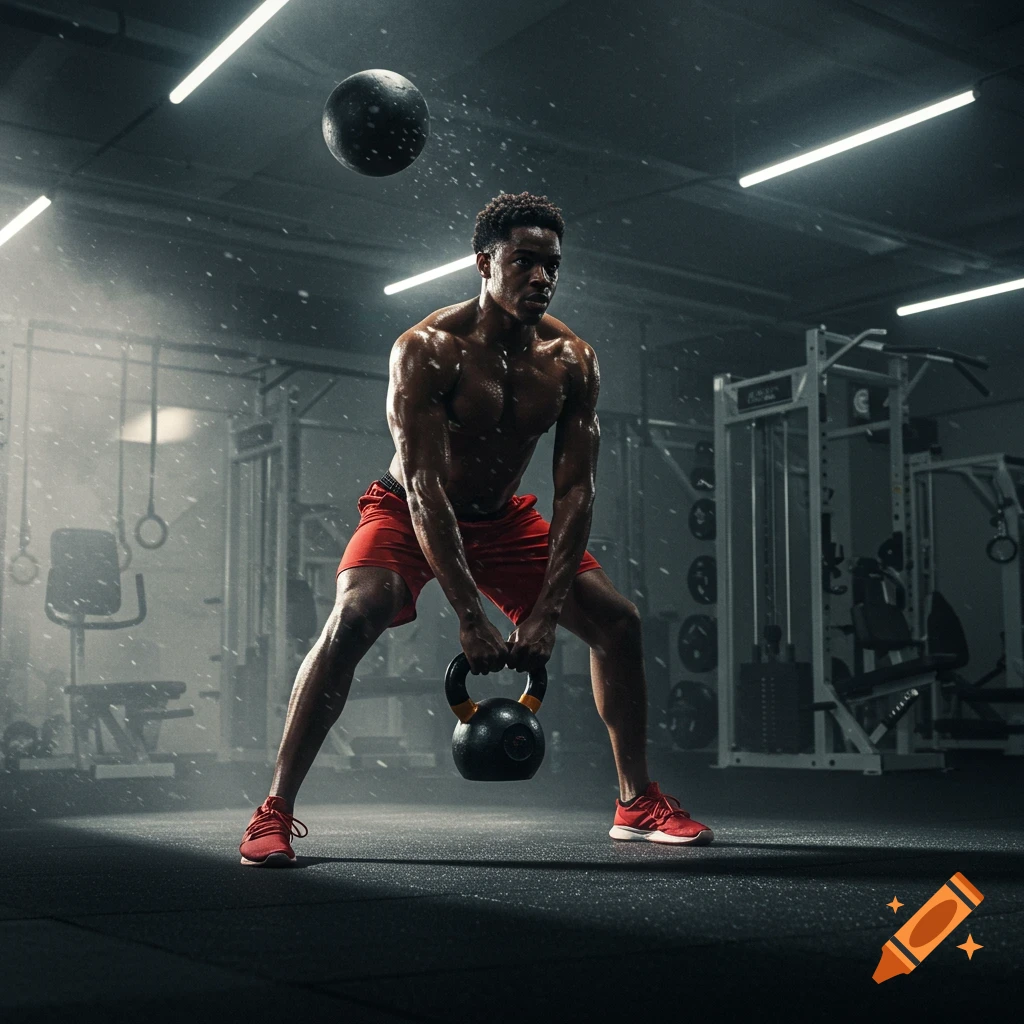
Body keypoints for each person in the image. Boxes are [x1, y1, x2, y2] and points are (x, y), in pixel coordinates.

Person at [239, 192, 714, 865]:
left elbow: (575, 490)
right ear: (483, 262)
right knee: (354, 616)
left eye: (552, 265)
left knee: (618, 622)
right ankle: (275, 809)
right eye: (524, 261)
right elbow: (427, 489)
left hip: (503, 520)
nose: (541, 277)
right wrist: (468, 614)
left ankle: (636, 801)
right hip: (409, 510)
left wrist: (546, 611)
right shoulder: (428, 350)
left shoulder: (572, 359)